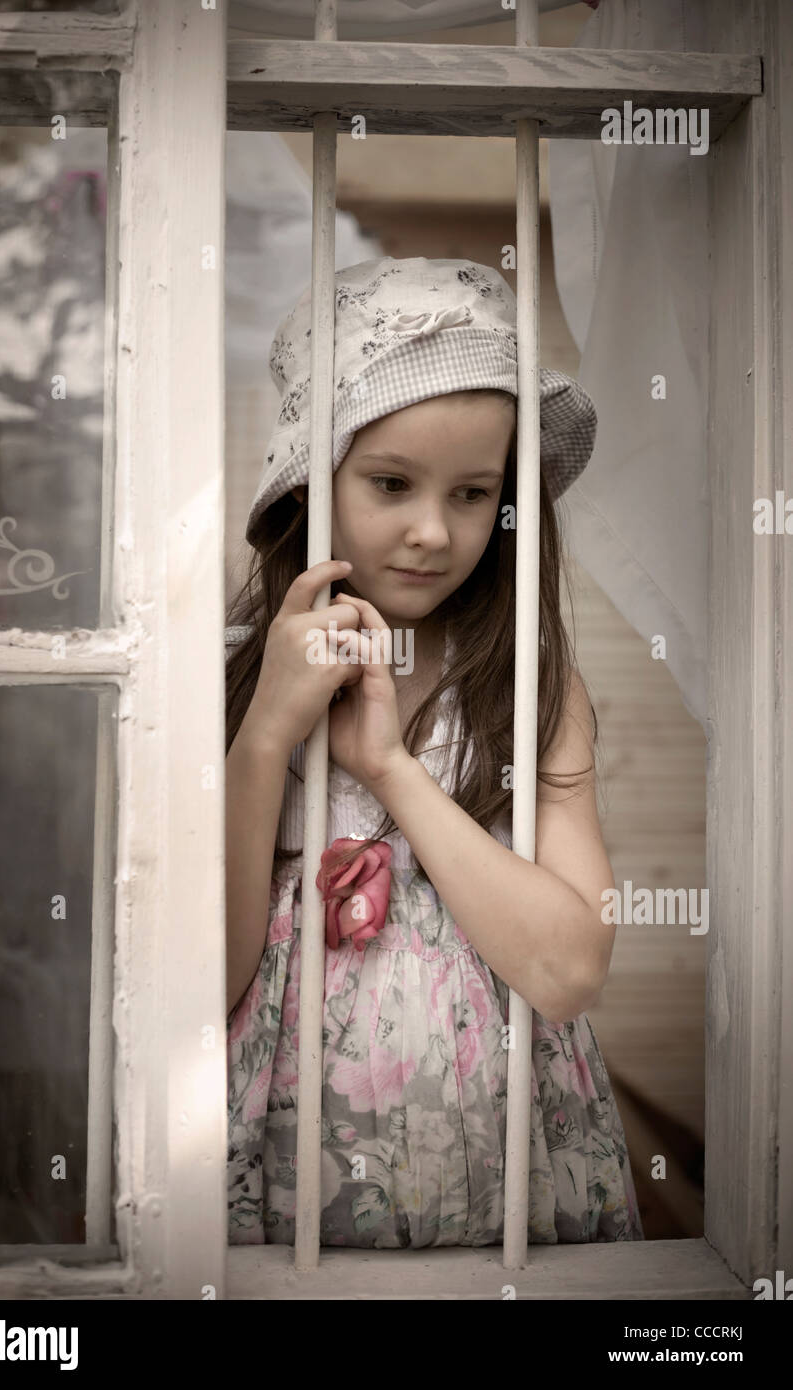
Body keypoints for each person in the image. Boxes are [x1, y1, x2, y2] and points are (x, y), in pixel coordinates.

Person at [224, 255, 644, 1248]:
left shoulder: (527, 686)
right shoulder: (230, 680)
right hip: (287, 1167)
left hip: (502, 1164)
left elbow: (569, 968)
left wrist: (389, 769)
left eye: (471, 493)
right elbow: (201, 984)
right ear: (306, 484)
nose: (430, 531)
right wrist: (263, 740)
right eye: (388, 483)